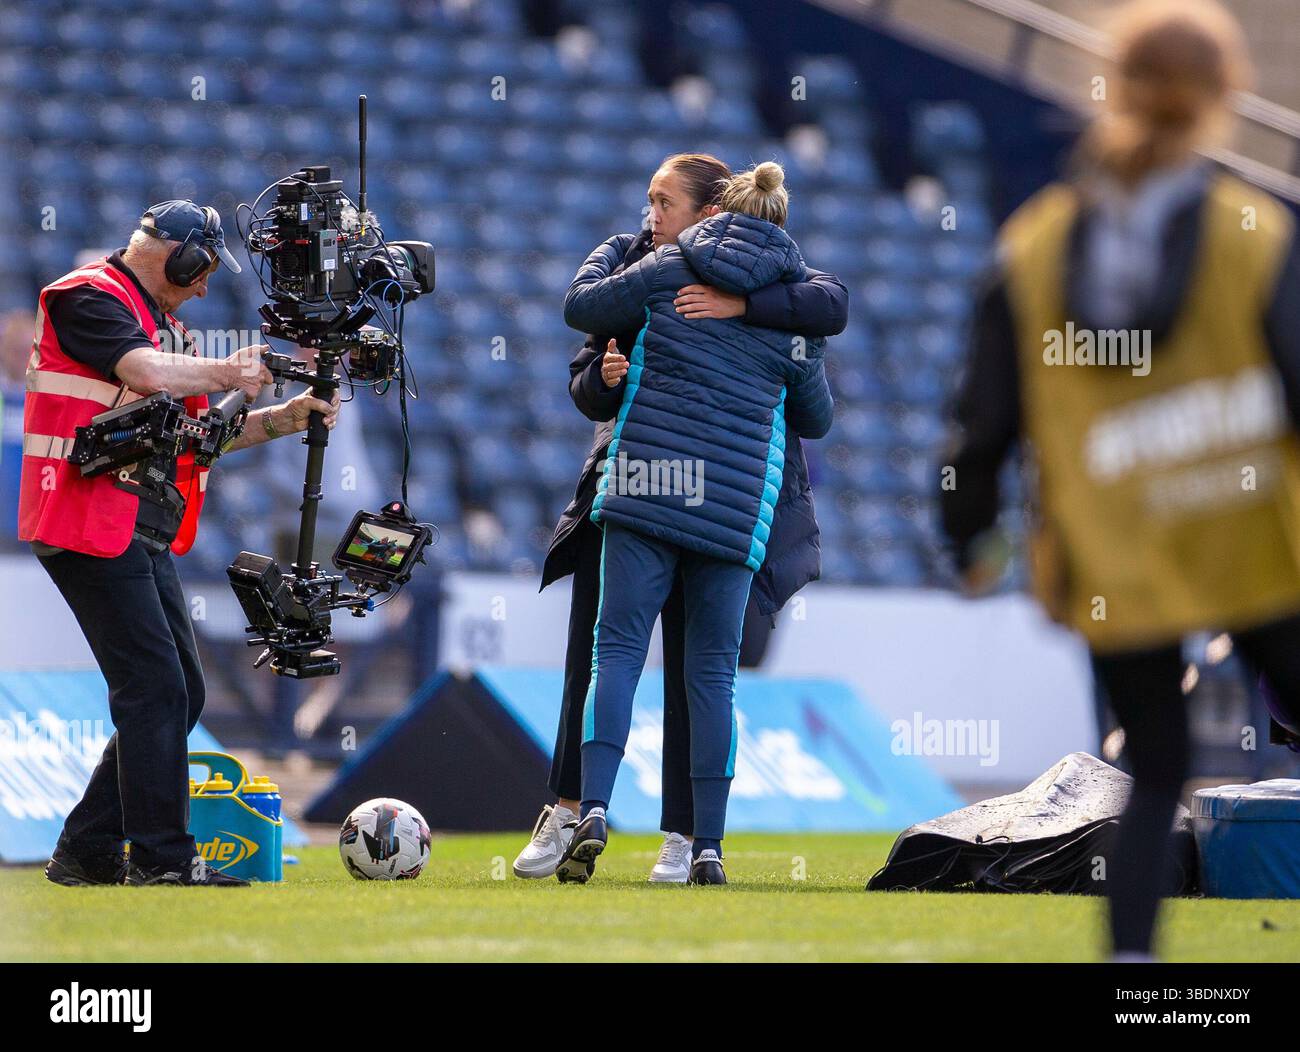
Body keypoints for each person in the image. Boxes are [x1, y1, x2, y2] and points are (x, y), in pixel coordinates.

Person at [939, 0, 1300, 957]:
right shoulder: (1253, 233)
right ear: (1228, 93)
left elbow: (982, 419)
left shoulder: (1035, 244)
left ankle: (1134, 972)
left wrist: (968, 533)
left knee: (1154, 763)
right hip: (1252, 536)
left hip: (1115, 544)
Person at [514, 154, 847, 883]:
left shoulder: (665, 275)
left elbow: (582, 305)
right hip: (729, 514)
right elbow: (818, 412)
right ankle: (699, 847)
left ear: (710, 213)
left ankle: (594, 806)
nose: (648, 216)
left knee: (615, 655)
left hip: (642, 490)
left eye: (662, 201)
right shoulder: (794, 301)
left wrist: (731, 308)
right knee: (710, 677)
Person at [21, 200, 340, 887]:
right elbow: (142, 373)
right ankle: (163, 860)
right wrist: (230, 372)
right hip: (84, 518)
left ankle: (87, 849)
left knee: (180, 691)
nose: (203, 289)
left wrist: (284, 417)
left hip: (134, 526)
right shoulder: (87, 297)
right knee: (155, 685)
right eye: (201, 274)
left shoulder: (169, 330)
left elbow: (204, 439)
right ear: (179, 253)